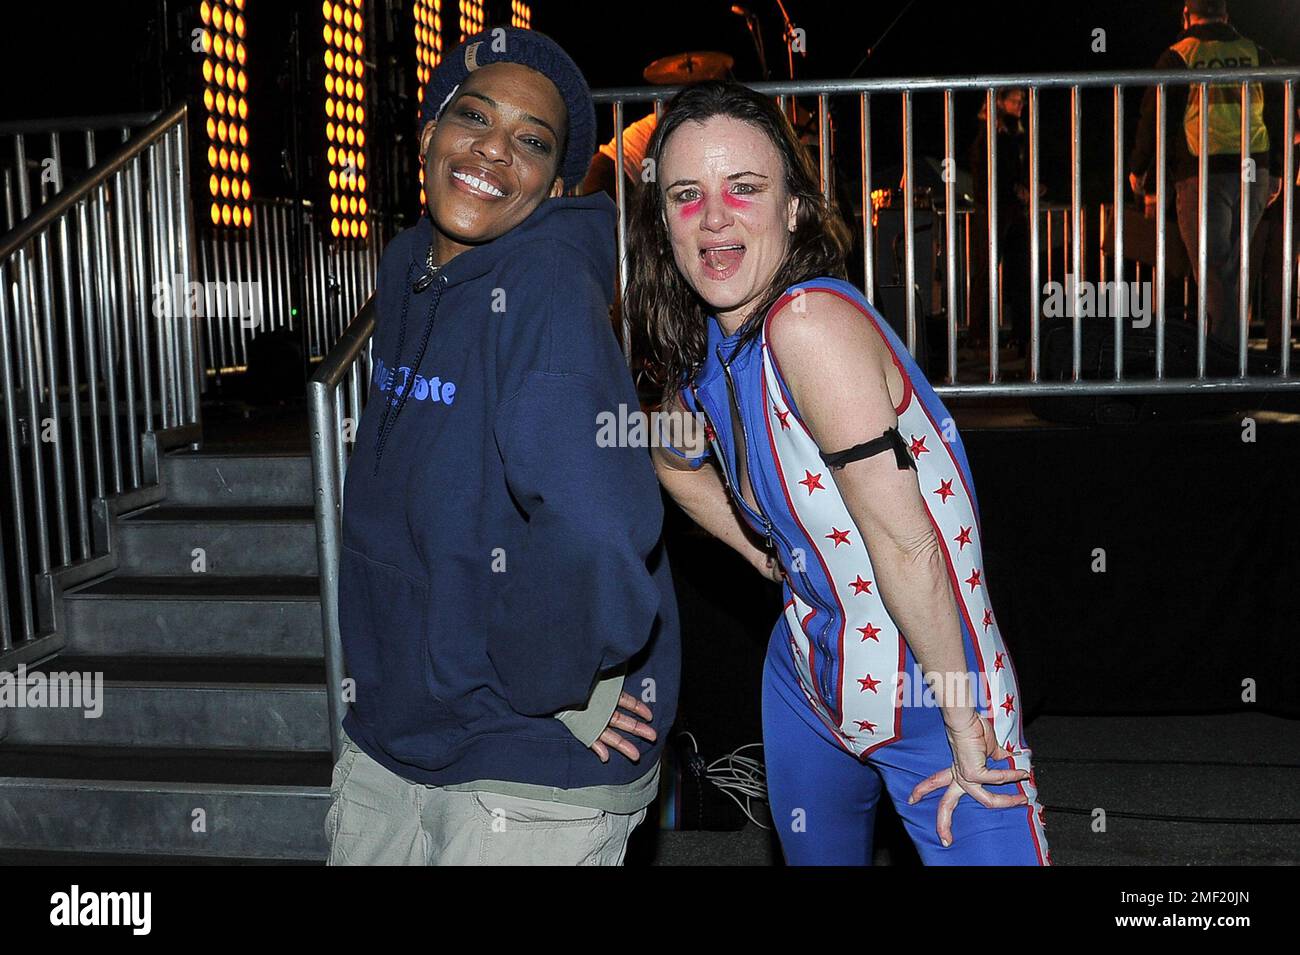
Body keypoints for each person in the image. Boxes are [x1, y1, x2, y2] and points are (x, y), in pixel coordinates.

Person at [626, 80, 1049, 865]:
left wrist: (964, 726)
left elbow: (909, 545)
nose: (714, 216)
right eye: (686, 195)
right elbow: (670, 461)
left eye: (744, 188)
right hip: (807, 678)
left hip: (932, 686)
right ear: (665, 225)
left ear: (793, 209)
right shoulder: (703, 351)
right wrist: (776, 558)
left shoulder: (807, 322)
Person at [327, 28, 680, 866]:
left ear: (554, 185)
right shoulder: (411, 269)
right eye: (474, 117)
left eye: (531, 141)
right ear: (427, 135)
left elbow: (595, 523)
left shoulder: (546, 285)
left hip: (524, 762)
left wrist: (557, 681)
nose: (494, 147)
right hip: (394, 735)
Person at [1128, 0, 1283, 351]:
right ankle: (1233, 354)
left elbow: (1156, 119)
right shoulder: (1255, 52)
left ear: (1186, 15)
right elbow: (1277, 115)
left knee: (1213, 268)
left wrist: (1141, 169)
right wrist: (1277, 170)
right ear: (1226, 17)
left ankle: (1221, 357)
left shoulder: (1180, 55)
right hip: (1251, 169)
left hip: (1203, 170)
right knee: (1237, 267)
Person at [968, 87, 1032, 357]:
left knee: (1019, 274)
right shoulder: (991, 134)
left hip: (1011, 211)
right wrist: (1016, 190)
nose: (1020, 105)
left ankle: (1021, 334)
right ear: (1000, 103)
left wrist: (1024, 189)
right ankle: (979, 334)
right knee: (987, 272)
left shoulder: (1014, 134)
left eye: (1022, 101)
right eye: (1015, 101)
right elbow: (986, 178)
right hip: (995, 211)